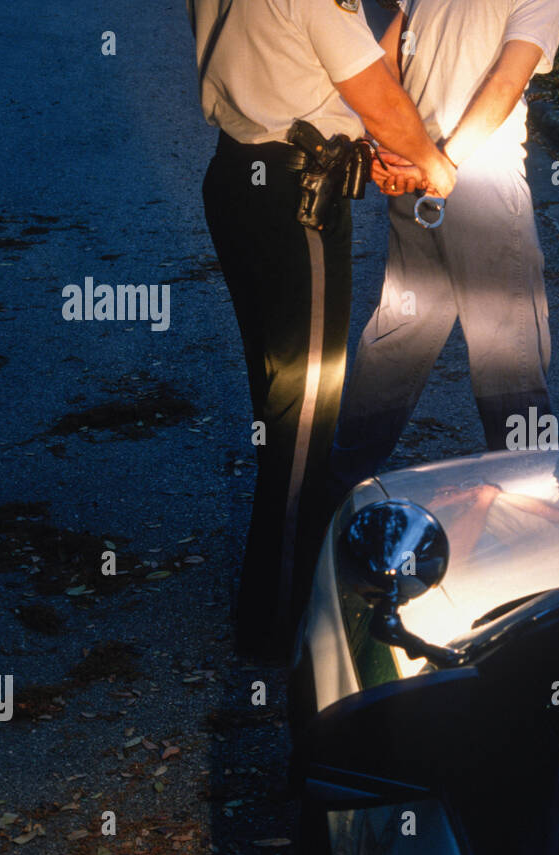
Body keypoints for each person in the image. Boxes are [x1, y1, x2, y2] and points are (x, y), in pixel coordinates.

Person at [187, 0, 457, 661]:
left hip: (240, 175)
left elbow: (292, 70)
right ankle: (281, 626)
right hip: (295, 202)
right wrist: (431, 161)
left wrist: (365, 151)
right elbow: (375, 93)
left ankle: (275, 595)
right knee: (305, 415)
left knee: (283, 407)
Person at [328, 0, 559, 501]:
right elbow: (505, 82)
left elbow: (385, 59)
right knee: (510, 349)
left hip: (415, 168)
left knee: (401, 335)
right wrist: (445, 164)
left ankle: (337, 485)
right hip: (474, 178)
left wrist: (386, 146)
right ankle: (528, 498)